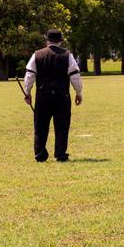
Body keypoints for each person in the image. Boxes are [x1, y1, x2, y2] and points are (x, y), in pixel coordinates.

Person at [23, 29, 83, 162]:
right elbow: (75, 76)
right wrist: (78, 93)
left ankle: (40, 154)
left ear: (47, 40)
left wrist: (27, 93)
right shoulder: (67, 55)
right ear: (60, 41)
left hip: (42, 96)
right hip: (62, 96)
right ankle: (60, 154)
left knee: (40, 126)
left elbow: (30, 75)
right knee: (62, 125)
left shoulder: (37, 54)